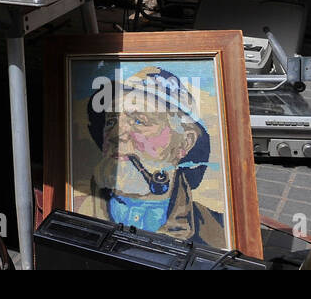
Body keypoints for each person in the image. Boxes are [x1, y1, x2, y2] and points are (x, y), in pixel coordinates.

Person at [81, 66, 225, 249]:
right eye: (111, 121)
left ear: (184, 143)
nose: (117, 134)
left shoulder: (216, 230)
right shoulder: (71, 209)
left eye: (140, 121)